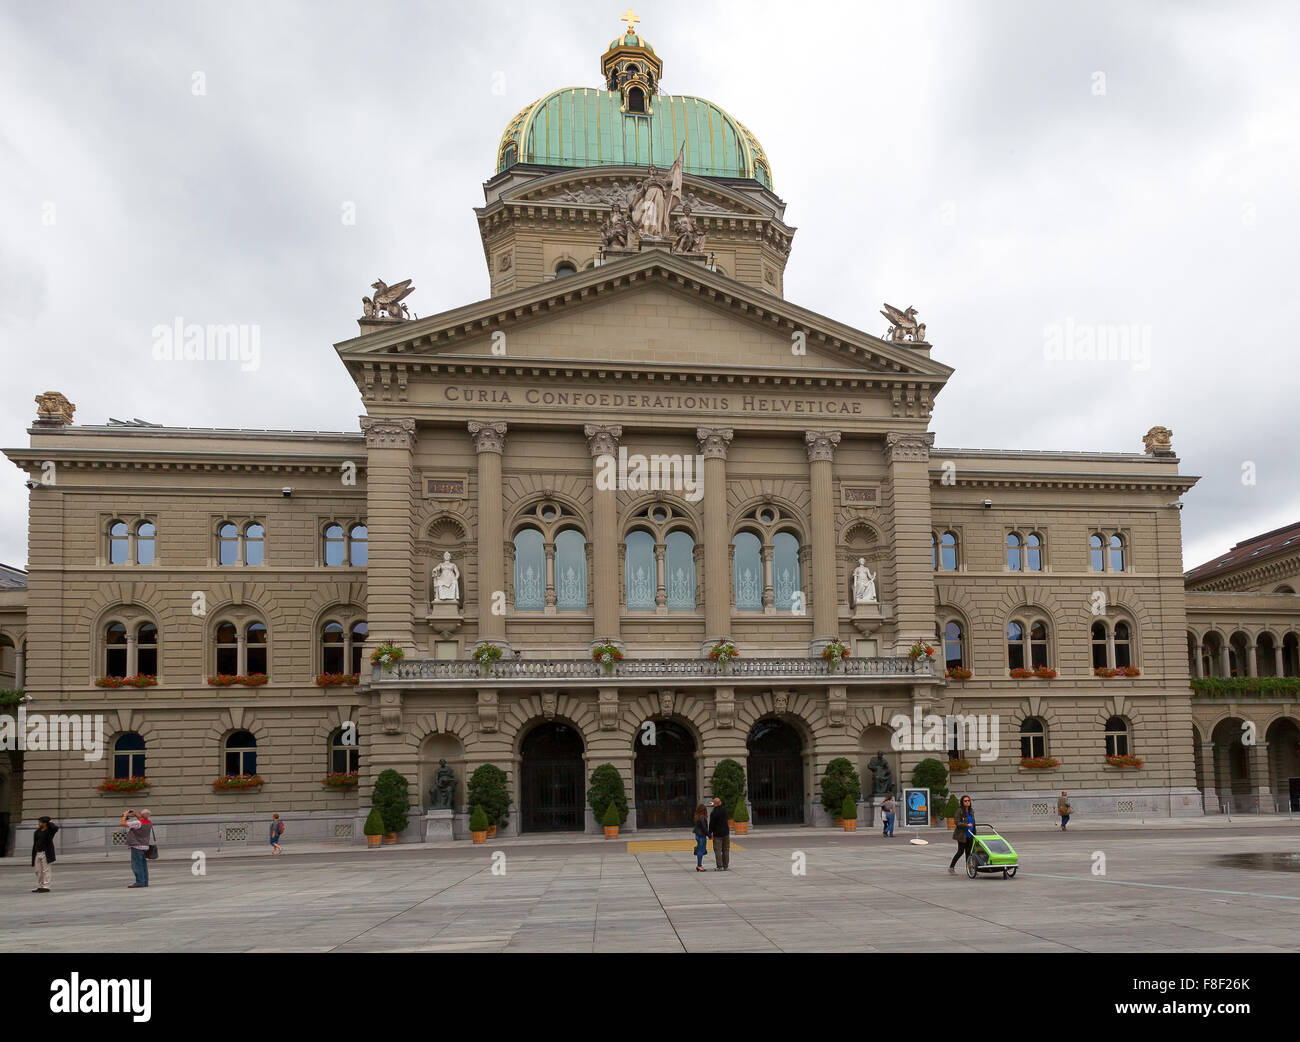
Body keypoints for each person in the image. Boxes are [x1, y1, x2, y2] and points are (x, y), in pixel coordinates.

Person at [121, 808, 154, 888]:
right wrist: (135, 813)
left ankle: (139, 882)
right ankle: (144, 882)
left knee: (137, 865)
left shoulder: (138, 823)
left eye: (139, 813)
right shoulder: (148, 822)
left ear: (141, 815)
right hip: (144, 846)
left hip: (137, 846)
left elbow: (123, 824)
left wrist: (125, 815)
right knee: (143, 865)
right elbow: (141, 818)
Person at [947, 795, 975, 873]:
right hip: (962, 835)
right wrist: (966, 825)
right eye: (965, 801)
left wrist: (974, 833)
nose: (967, 802)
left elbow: (973, 822)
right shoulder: (959, 810)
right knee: (960, 852)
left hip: (970, 834)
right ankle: (951, 867)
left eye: (968, 800)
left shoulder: (971, 811)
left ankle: (969, 869)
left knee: (969, 853)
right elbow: (956, 822)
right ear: (962, 802)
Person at [31, 816, 58, 893]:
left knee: (46, 870)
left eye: (40, 822)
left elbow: (55, 828)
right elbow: (35, 843)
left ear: (45, 823)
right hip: (37, 852)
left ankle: (46, 887)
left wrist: (50, 822)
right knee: (38, 870)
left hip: (45, 853)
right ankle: (40, 886)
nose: (39, 823)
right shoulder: (37, 832)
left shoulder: (49, 831)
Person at [708, 796, 730, 871]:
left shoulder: (714, 812)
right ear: (720, 803)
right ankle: (726, 865)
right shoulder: (724, 810)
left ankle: (719, 866)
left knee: (717, 850)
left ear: (714, 804)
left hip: (717, 834)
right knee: (726, 850)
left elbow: (712, 824)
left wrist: (709, 833)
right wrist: (715, 804)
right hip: (726, 833)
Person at [691, 803, 709, 872]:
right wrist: (709, 836)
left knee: (700, 850)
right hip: (701, 836)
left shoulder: (697, 816)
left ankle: (699, 865)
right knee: (701, 851)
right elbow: (704, 828)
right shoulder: (702, 817)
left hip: (697, 835)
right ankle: (699, 866)